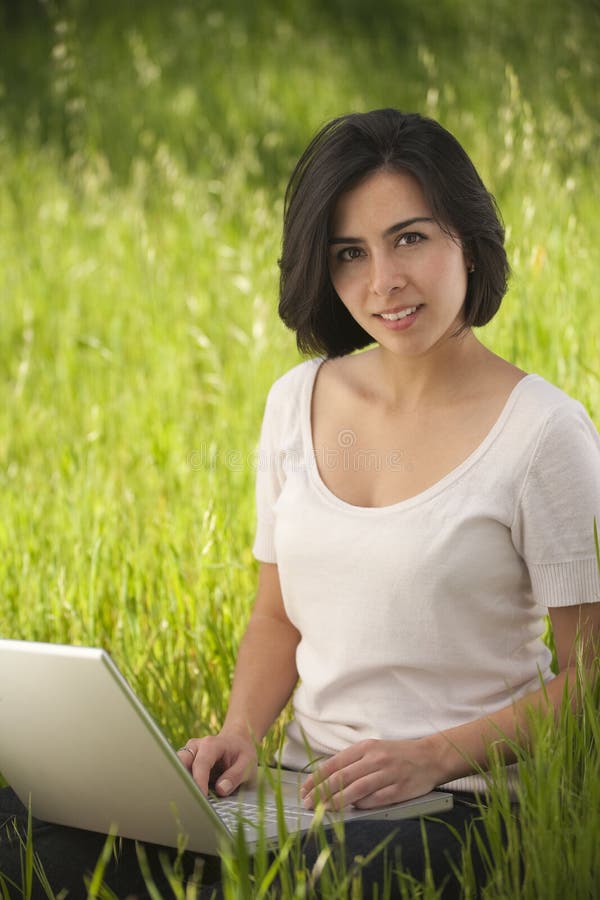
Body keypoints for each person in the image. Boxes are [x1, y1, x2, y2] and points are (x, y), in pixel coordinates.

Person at [1, 109, 599, 898]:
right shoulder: (297, 402)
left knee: (284, 888)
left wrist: (434, 755)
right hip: (301, 793)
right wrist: (240, 734)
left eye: (410, 238)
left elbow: (589, 674)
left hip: (461, 807)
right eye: (350, 253)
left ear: (469, 236)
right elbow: (277, 616)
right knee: (23, 824)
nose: (383, 280)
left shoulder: (544, 432)